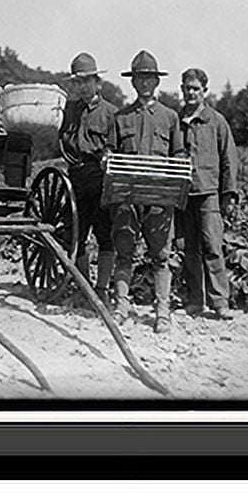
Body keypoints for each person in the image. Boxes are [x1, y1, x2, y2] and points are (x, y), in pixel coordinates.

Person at [108, 50, 186, 334]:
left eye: (149, 78)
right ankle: (121, 307)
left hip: (158, 197)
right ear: (133, 82)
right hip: (128, 196)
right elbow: (111, 152)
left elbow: (178, 152)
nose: (144, 83)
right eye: (139, 78)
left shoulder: (170, 117)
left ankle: (162, 313)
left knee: (161, 256)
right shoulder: (121, 117)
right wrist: (107, 159)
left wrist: (179, 163)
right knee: (124, 252)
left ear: (157, 81)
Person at [178, 67, 240, 320]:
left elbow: (229, 159)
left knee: (212, 246)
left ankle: (219, 301)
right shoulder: (177, 121)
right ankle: (195, 300)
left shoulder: (216, 121)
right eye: (187, 88)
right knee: (189, 248)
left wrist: (229, 193)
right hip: (183, 194)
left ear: (204, 91)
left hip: (209, 193)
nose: (191, 93)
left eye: (195, 88)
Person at [58, 53, 117, 307]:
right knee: (75, 235)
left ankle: (101, 290)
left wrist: (109, 156)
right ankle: (85, 288)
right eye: (77, 82)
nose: (82, 87)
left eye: (86, 81)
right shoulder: (69, 110)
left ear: (97, 82)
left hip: (101, 179)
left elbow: (117, 149)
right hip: (75, 178)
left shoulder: (111, 113)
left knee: (105, 235)